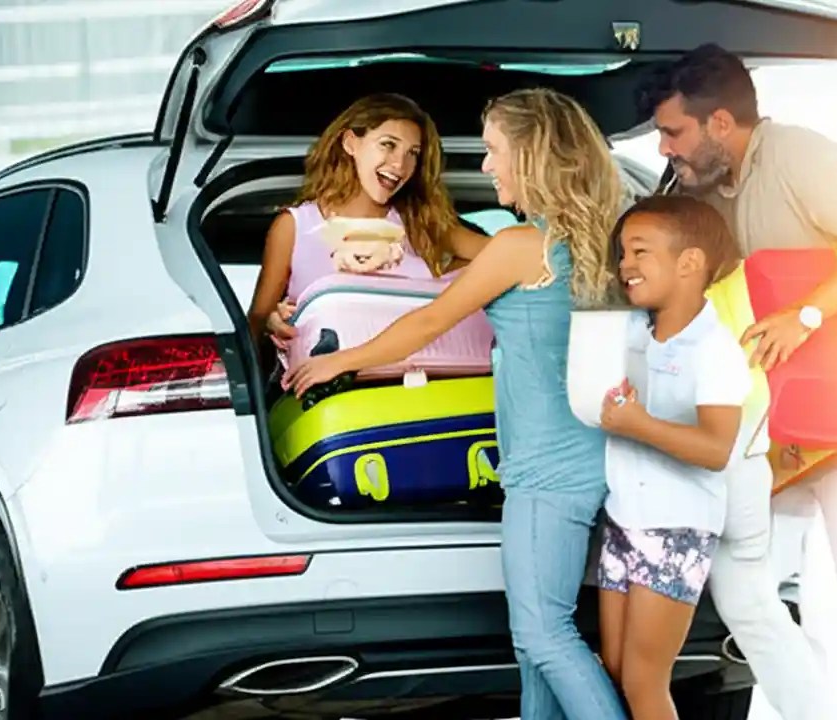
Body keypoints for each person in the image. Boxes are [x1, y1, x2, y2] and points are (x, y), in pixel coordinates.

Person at [283, 87, 628, 720]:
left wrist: (337, 359)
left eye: (495, 151)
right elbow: (443, 262)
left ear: (530, 154)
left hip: (544, 474)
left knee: (545, 637)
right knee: (536, 648)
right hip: (600, 457)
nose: (488, 166)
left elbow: (431, 320)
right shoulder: (599, 239)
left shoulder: (522, 246)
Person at [636, 43, 837, 719]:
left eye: (673, 132)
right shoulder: (701, 188)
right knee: (751, 595)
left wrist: (806, 314)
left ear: (719, 124)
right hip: (777, 436)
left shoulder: (800, 157)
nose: (664, 149)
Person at [597, 195, 749, 719]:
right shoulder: (633, 336)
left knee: (645, 681)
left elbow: (715, 449)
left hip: (676, 529)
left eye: (640, 252)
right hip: (623, 520)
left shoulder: (716, 350)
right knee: (614, 668)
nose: (625, 266)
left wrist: (640, 425)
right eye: (622, 254)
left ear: (690, 264)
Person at [246, 92, 488, 361]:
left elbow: (508, 258)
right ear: (351, 143)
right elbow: (256, 326)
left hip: (424, 387)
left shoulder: (422, 223)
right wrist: (273, 323)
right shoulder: (294, 227)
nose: (399, 164)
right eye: (388, 144)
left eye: (413, 153)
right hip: (331, 395)